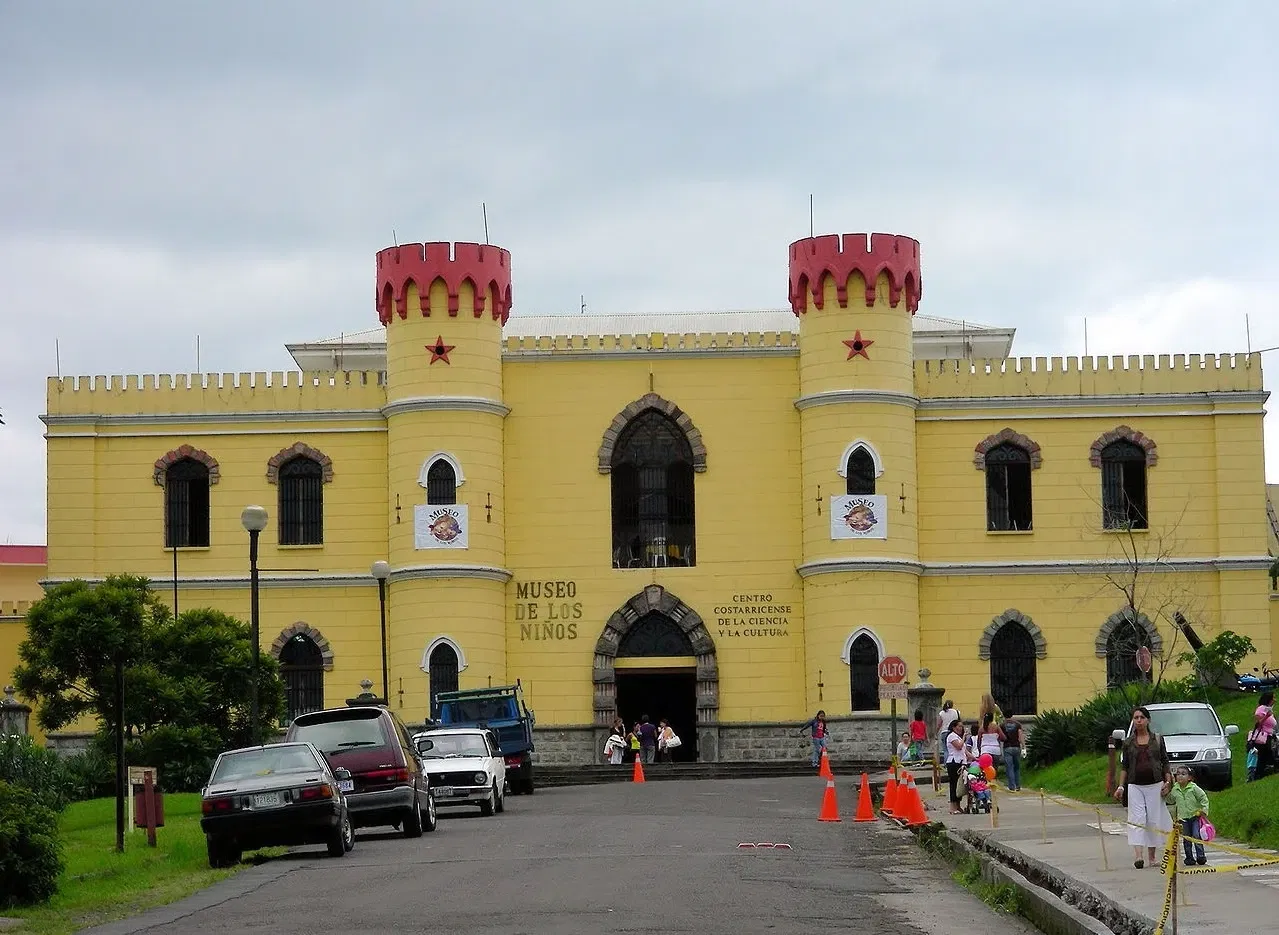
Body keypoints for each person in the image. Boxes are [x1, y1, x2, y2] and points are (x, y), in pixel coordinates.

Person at [1113, 706, 1173, 869]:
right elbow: (1125, 766)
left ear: (1148, 720)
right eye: (1135, 718)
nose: (1138, 720)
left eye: (1141, 717)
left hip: (1155, 784)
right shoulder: (1128, 743)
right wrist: (1121, 786)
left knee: (1154, 818)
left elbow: (1165, 761)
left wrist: (1167, 782)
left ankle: (1152, 857)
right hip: (1135, 785)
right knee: (1136, 819)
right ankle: (1138, 856)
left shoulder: (1157, 739)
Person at [1167, 766, 1210, 866]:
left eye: (1183, 774)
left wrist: (1203, 810)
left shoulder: (1193, 788)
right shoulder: (1175, 789)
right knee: (1186, 838)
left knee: (1196, 836)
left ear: (1190, 777)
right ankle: (1189, 858)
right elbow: (1170, 800)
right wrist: (1165, 794)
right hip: (1183, 819)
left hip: (1195, 816)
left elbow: (1203, 798)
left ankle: (1201, 856)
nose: (1180, 776)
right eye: (1178, 774)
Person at [1247, 691, 1276, 782]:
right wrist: (1267, 716)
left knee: (1266, 756)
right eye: (1273, 698)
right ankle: (1256, 775)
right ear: (1269, 699)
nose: (1274, 700)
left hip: (1268, 736)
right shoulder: (1261, 709)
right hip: (1261, 738)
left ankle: (1262, 774)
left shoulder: (1268, 708)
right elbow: (1258, 722)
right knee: (1262, 756)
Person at [944, 720, 970, 814]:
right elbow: (959, 746)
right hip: (954, 762)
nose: (961, 728)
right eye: (959, 726)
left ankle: (958, 805)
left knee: (961, 785)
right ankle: (952, 806)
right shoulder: (951, 736)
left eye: (962, 726)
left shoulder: (958, 737)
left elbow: (965, 751)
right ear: (954, 727)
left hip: (962, 762)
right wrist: (964, 737)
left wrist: (975, 758)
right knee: (954, 784)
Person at [1001, 714, 1024, 792]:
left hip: (1007, 747)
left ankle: (1012, 786)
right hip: (1016, 747)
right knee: (1017, 767)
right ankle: (1018, 785)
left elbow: (1001, 737)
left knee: (1009, 767)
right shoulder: (1017, 724)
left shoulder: (1002, 725)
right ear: (1012, 715)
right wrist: (1023, 746)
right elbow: (1020, 736)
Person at [978, 713, 1005, 778]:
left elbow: (979, 741)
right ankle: (994, 782)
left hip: (985, 750)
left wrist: (979, 751)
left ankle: (987, 783)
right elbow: (1003, 737)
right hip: (995, 749)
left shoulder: (982, 728)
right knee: (994, 769)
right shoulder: (996, 727)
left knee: (985, 769)